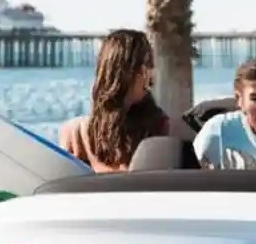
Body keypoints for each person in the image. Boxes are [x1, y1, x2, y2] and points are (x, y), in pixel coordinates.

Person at [59, 29, 174, 172]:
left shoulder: (160, 126)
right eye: (146, 63)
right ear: (123, 70)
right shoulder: (76, 134)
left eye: (150, 64)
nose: (149, 72)